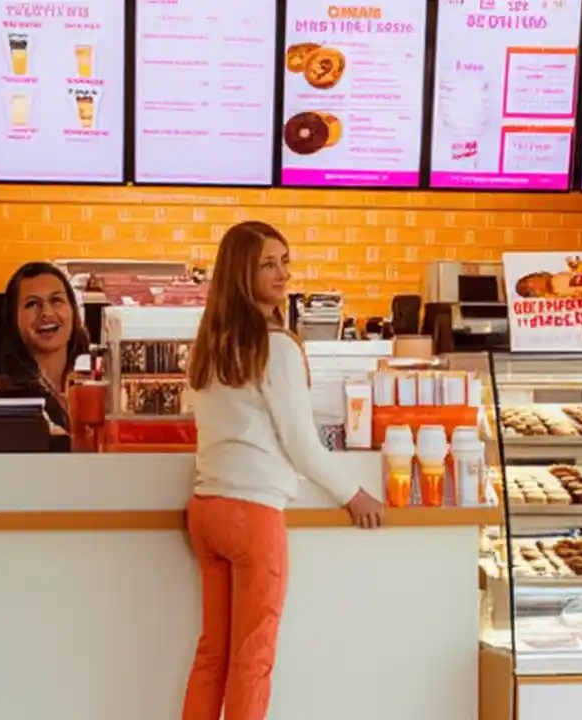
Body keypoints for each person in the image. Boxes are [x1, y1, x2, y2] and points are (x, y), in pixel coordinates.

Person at [184, 221, 384, 720]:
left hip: (206, 510)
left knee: (213, 654)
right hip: (252, 515)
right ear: (240, 274)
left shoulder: (209, 343)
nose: (283, 274)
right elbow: (301, 445)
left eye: (285, 261)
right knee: (252, 660)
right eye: (268, 264)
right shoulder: (276, 347)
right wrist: (353, 494)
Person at [0, 261, 89, 433]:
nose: (47, 313)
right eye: (32, 304)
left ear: (73, 311)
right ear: (12, 318)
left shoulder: (95, 381)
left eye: (56, 300)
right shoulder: (1, 393)